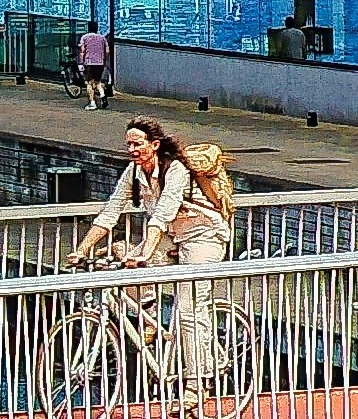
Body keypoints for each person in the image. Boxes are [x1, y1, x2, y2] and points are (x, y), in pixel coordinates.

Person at [70, 115, 238, 401]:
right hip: (173, 237)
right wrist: (81, 250)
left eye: (138, 144)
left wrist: (146, 253)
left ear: (154, 144)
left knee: (189, 308)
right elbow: (111, 212)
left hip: (203, 236)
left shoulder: (177, 170)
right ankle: (148, 317)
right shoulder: (134, 172)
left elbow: (162, 214)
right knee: (123, 269)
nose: (132, 150)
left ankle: (198, 383)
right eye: (129, 144)